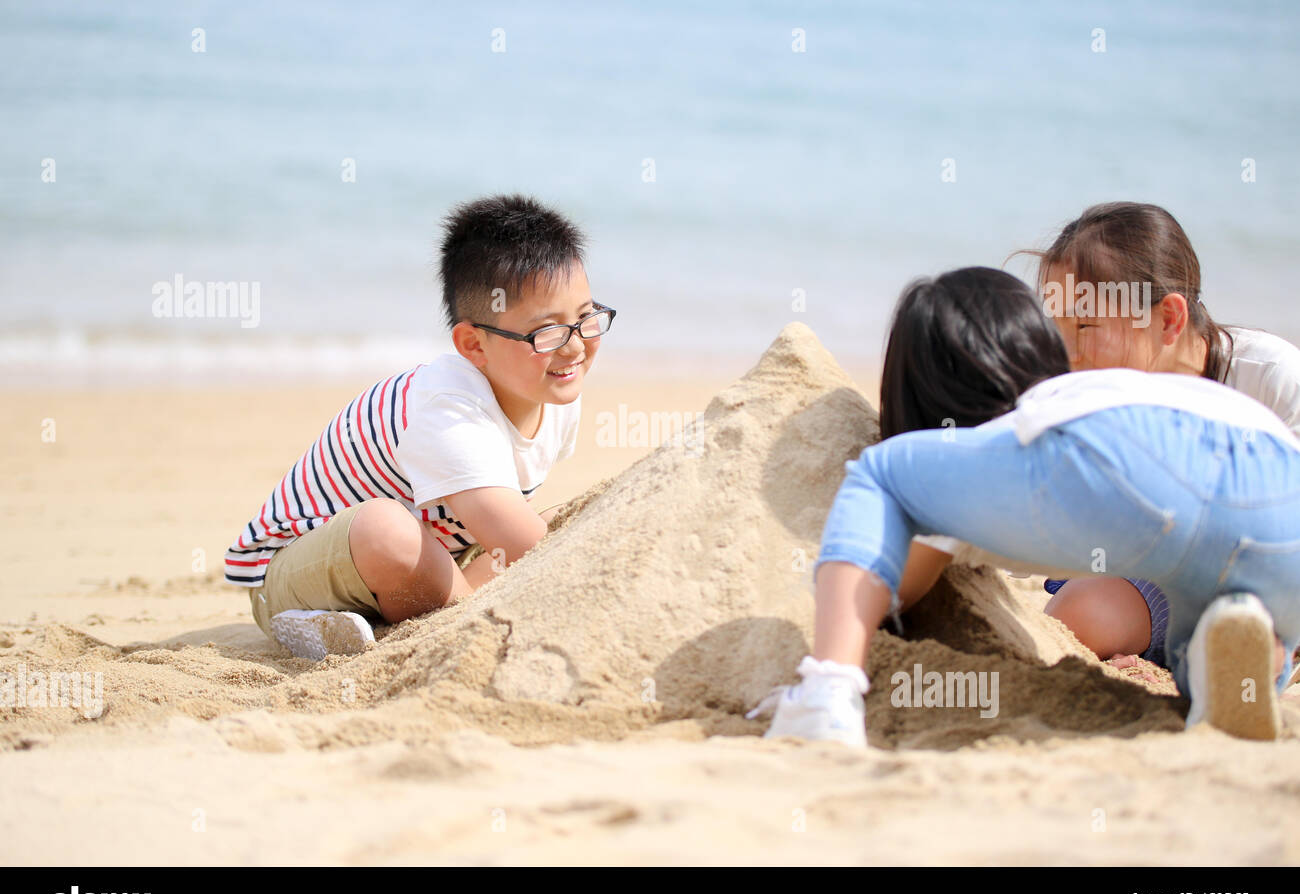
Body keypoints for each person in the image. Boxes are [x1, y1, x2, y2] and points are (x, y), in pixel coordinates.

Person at [750, 267, 1299, 747]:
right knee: (1197, 649)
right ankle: (1246, 655)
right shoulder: (1106, 389)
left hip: (1126, 457)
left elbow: (901, 584)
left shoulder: (1023, 433)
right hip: (1279, 489)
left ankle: (826, 693)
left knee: (883, 472)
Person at [224, 195, 614, 659]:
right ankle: (446, 618)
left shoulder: (555, 388)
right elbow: (520, 542)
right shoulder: (448, 408)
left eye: (586, 318)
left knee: (574, 516)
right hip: (298, 571)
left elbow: (520, 533)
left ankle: (416, 614)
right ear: (474, 344)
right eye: (547, 332)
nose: (574, 348)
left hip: (439, 561)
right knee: (390, 530)